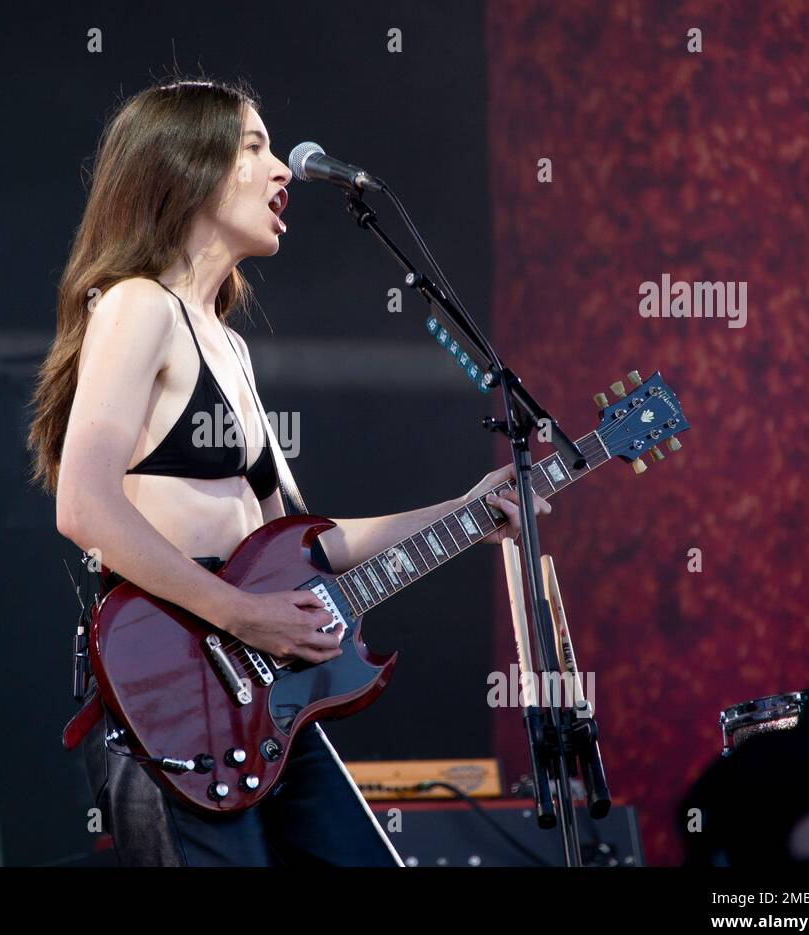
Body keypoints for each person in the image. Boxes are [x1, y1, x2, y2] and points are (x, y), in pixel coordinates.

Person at [28, 76, 551, 866]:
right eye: (253, 148)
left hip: (260, 697)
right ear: (186, 165)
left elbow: (308, 542)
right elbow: (85, 507)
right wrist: (240, 615)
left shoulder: (228, 345)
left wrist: (466, 512)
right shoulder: (137, 306)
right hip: (174, 689)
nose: (281, 171)